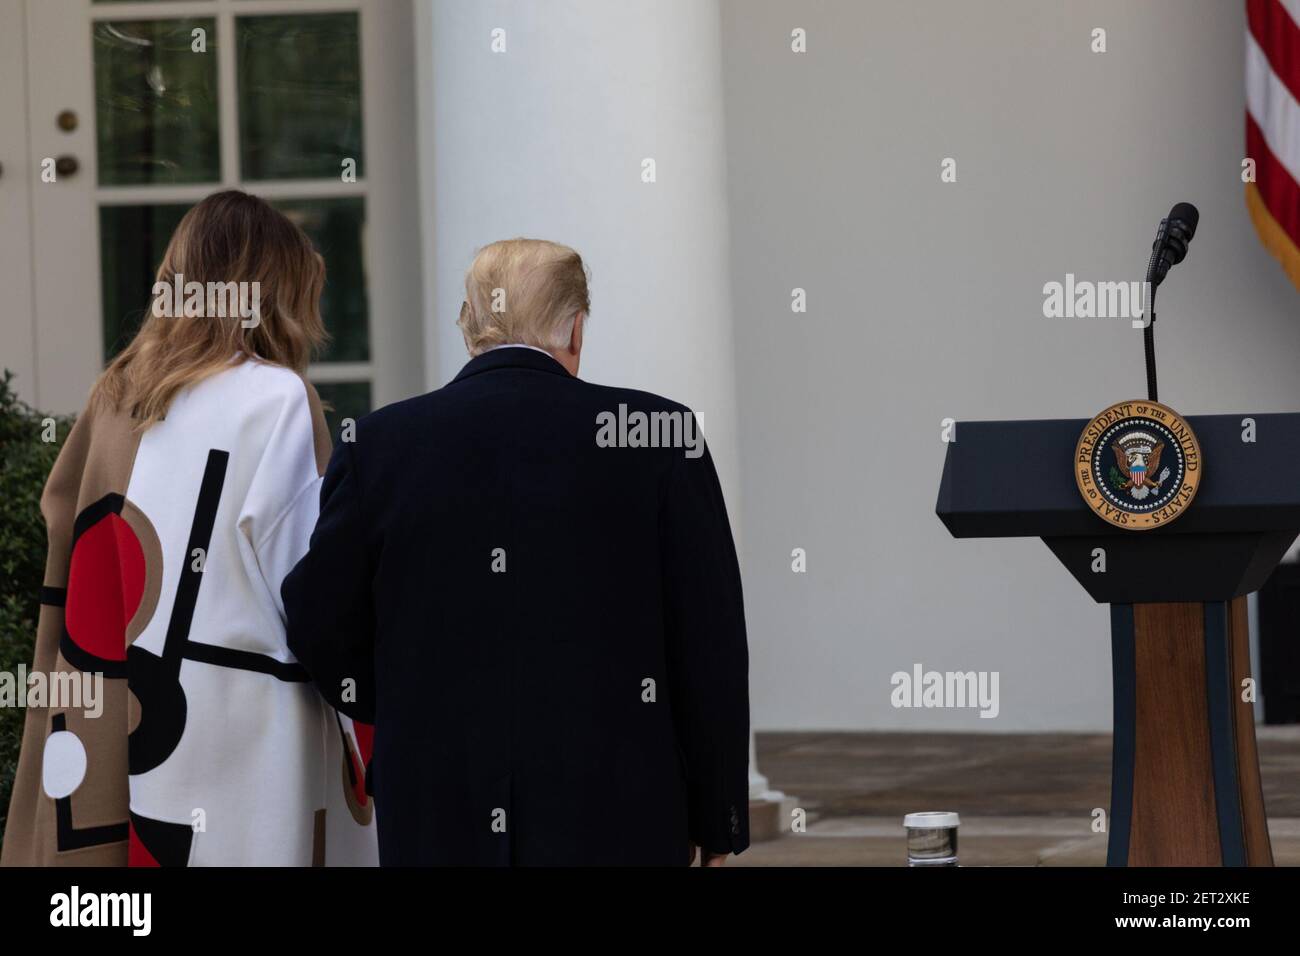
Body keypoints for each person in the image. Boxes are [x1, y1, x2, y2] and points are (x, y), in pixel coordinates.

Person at [283, 238, 751, 865]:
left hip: (439, 807)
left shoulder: (380, 444)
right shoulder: (658, 438)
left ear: (468, 326)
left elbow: (317, 619)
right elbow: (709, 646)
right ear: (575, 329)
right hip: (619, 814)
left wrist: (409, 697)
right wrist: (717, 818)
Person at [0, 190, 377, 866]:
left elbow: (70, 536)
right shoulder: (276, 398)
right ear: (275, 294)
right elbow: (315, 589)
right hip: (253, 732)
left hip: (129, 722)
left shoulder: (117, 394)